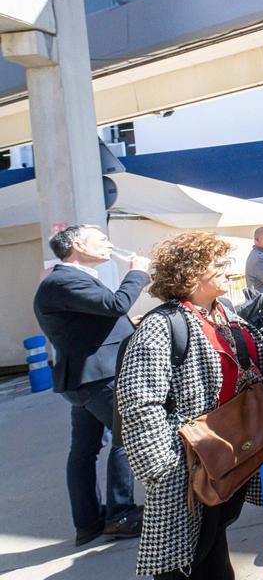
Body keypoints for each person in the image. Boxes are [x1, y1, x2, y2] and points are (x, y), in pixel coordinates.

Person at [116, 232, 263, 579]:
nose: (228, 271)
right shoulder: (161, 325)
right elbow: (139, 402)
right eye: (219, 265)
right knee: (185, 561)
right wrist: (165, 470)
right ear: (191, 272)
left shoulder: (221, 313)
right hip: (189, 466)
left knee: (213, 547)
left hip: (228, 456)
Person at [32, 224, 149, 546]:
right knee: (127, 439)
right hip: (95, 378)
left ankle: (89, 522)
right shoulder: (64, 279)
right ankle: (120, 515)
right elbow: (116, 304)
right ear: (77, 245)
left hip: (85, 378)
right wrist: (137, 273)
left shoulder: (68, 280)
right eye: (101, 239)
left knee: (84, 450)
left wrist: (127, 325)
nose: (108, 244)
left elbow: (91, 321)